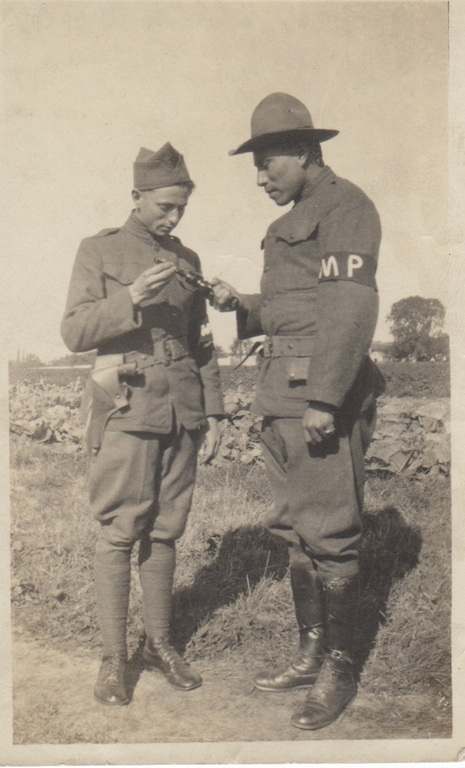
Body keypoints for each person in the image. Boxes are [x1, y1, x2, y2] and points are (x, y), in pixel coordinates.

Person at [211, 93, 384, 730]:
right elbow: (296, 301)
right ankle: (310, 654)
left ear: (306, 152)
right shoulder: (303, 211)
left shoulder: (346, 207)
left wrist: (325, 398)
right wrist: (244, 304)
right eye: (255, 166)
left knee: (331, 530)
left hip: (316, 392)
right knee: (294, 526)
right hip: (280, 389)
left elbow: (348, 308)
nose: (260, 178)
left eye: (266, 164)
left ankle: (341, 666)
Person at [61, 143, 224, 706]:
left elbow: (201, 343)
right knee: (119, 533)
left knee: (166, 529)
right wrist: (129, 297)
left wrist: (215, 410)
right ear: (136, 197)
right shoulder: (98, 250)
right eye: (163, 206)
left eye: (180, 208)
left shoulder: (188, 259)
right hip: (127, 409)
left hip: (182, 412)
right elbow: (75, 332)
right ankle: (113, 660)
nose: (173, 217)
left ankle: (160, 644)